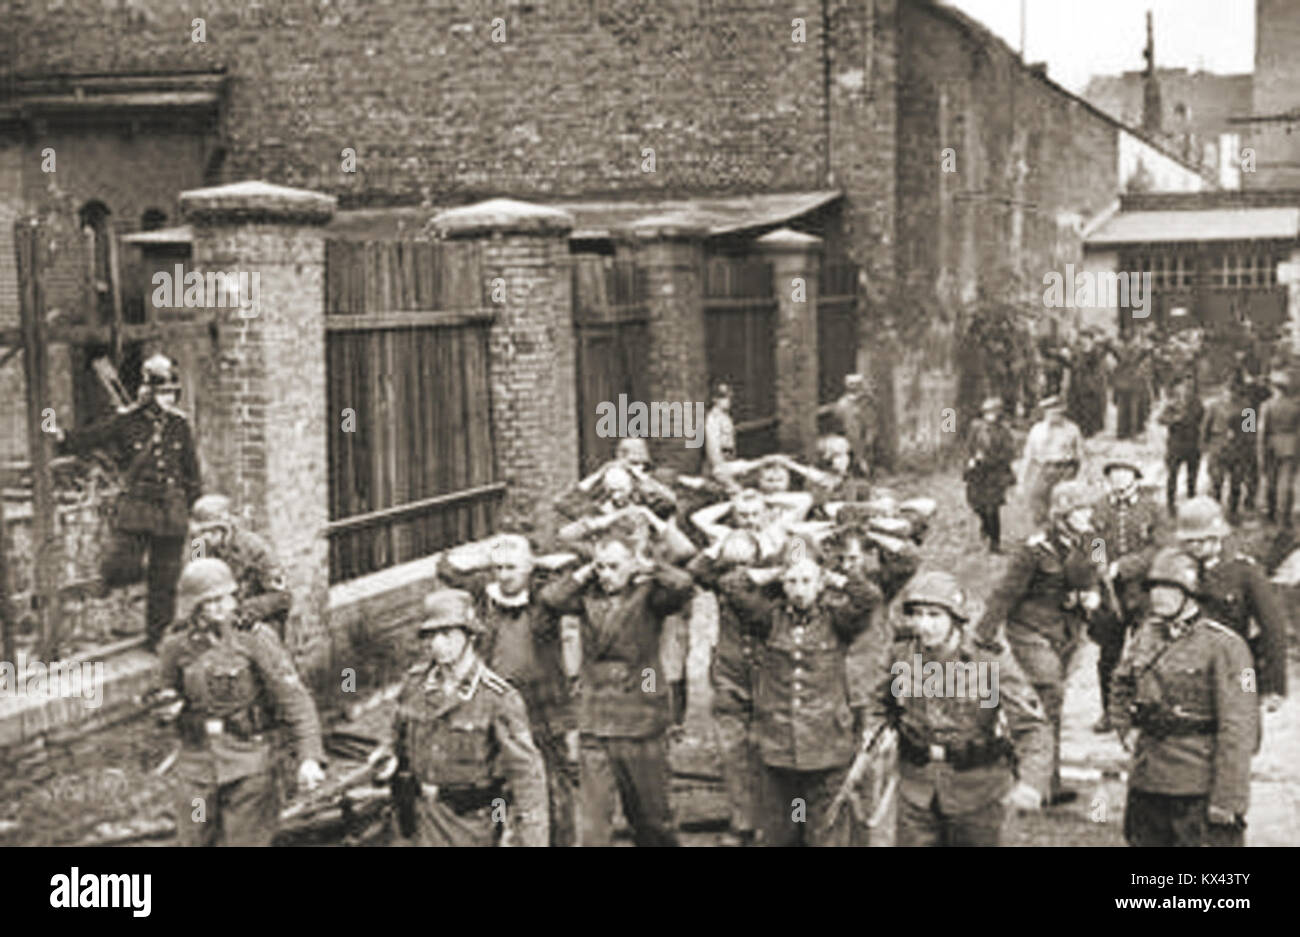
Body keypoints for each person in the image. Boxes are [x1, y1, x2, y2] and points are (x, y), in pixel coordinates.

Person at [858, 572, 1051, 846]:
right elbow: (877, 703)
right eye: (918, 614)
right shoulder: (901, 654)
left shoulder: (987, 660)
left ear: (955, 618)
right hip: (917, 790)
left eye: (934, 615)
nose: (924, 625)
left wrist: (1032, 782)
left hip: (978, 791)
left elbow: (1032, 727)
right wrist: (870, 732)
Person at [711, 541, 882, 846]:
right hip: (779, 746)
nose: (799, 589)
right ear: (782, 585)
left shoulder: (838, 621)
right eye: (792, 582)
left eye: (806, 581)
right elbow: (730, 585)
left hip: (826, 744)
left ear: (819, 586)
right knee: (785, 829)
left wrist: (832, 576)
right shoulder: (767, 619)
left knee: (824, 832)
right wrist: (775, 571)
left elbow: (869, 597)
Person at [537, 534, 695, 846]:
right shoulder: (586, 596)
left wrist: (649, 566)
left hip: (642, 717)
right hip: (596, 717)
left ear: (631, 565)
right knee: (594, 825)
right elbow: (551, 598)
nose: (606, 574)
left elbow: (683, 584)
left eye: (614, 566)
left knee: (652, 819)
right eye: (601, 567)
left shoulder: (650, 595)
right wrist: (583, 573)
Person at [158, 558, 325, 846]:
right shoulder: (176, 645)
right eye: (211, 601)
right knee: (195, 840)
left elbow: (294, 700)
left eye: (226, 598)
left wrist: (309, 757)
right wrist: (166, 708)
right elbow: (166, 691)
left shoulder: (254, 639)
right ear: (194, 606)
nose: (223, 607)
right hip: (196, 770)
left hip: (249, 766)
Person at [435, 534, 579, 846]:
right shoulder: (484, 599)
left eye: (512, 567)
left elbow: (573, 570)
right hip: (495, 714)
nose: (504, 575)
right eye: (498, 567)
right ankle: (501, 837)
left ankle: (559, 842)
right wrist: (486, 556)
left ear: (529, 567)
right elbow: (447, 569)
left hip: (543, 714)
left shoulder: (545, 598)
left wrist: (537, 562)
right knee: (499, 790)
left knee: (553, 791)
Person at [1109, 548, 1258, 847]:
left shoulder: (1225, 646)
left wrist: (1228, 799)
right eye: (1153, 588)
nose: (1157, 596)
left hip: (1196, 786)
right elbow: (1121, 684)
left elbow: (1239, 727)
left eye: (1168, 588)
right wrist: (1125, 728)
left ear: (1190, 594)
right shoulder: (1146, 634)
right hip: (1147, 781)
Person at [56, 353, 201, 649]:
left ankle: (157, 638)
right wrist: (54, 431)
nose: (169, 398)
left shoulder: (179, 425)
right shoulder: (127, 422)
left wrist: (195, 510)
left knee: (165, 580)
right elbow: (86, 438)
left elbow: (191, 472)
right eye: (163, 392)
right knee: (118, 566)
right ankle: (125, 598)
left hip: (171, 510)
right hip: (137, 507)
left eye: (173, 392)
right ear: (148, 392)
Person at [383, 589, 549, 846]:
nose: (437, 644)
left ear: (470, 635)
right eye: (431, 635)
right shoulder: (414, 685)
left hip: (470, 828)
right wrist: (387, 757)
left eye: (447, 634)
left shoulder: (497, 698)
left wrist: (529, 839)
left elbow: (526, 778)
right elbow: (395, 739)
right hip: (415, 824)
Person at [975, 479, 1101, 805]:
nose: (1088, 514)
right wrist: (983, 635)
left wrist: (1093, 596)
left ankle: (1047, 779)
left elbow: (1095, 577)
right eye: (1081, 508)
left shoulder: (1090, 541)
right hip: (1029, 630)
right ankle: (1036, 781)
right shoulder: (1034, 548)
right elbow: (1005, 592)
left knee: (1050, 706)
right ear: (1064, 512)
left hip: (1066, 633)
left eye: (1089, 507)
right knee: (1049, 695)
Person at [686, 530, 767, 845]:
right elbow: (694, 569)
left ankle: (770, 820)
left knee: (766, 753)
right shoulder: (720, 580)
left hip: (765, 677)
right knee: (732, 752)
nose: (738, 570)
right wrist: (718, 546)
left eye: (744, 562)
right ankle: (742, 820)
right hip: (728, 675)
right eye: (731, 564)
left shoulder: (769, 585)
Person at [1174, 497, 1288, 710]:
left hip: (1240, 666)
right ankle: (1108, 713)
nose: (1194, 547)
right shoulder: (1177, 567)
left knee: (1244, 715)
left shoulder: (1244, 571)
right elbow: (1097, 541)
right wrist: (1099, 571)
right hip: (1192, 667)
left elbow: (1273, 628)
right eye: (1189, 542)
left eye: (1201, 540)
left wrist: (1274, 686)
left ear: (1217, 538)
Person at [1087, 461, 1165, 732]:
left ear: (1135, 476)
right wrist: (1100, 565)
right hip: (1110, 595)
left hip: (1144, 592)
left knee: (1145, 654)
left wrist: (1124, 566)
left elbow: (1160, 547)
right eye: (1113, 473)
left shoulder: (1152, 508)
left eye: (1125, 472)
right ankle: (1109, 711)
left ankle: (1143, 710)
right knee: (1109, 655)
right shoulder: (1099, 507)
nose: (1119, 478)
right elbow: (1094, 540)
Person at [189, 494, 291, 635]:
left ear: (226, 529)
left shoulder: (255, 549)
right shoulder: (199, 547)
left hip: (252, 620)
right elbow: (196, 586)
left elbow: (281, 597)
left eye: (212, 531)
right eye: (202, 532)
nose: (205, 537)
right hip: (216, 620)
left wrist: (245, 610)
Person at [1019, 396, 1084, 527]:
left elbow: (1081, 454)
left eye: (1057, 412)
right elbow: (1028, 456)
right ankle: (1045, 533)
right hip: (1045, 469)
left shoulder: (1072, 429)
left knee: (1063, 504)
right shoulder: (1037, 430)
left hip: (1066, 470)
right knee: (1037, 499)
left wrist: (1082, 477)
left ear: (1062, 411)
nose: (1054, 415)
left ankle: (1065, 534)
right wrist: (1021, 480)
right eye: (1050, 412)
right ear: (1045, 412)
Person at [964, 397, 1017, 553]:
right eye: (987, 412)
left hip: (995, 474)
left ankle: (995, 543)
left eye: (994, 412)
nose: (990, 415)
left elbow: (1009, 453)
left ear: (999, 413)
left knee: (992, 508)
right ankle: (985, 526)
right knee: (976, 505)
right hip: (978, 474)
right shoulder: (976, 427)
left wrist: (989, 459)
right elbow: (969, 447)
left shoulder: (1004, 431)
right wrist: (970, 460)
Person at [1157, 374, 1204, 517]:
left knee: (1192, 477)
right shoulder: (1172, 404)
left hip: (1193, 445)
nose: (1188, 390)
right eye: (1185, 387)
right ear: (1180, 389)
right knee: (1172, 476)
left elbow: (1204, 421)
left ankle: (1192, 504)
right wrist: (1175, 420)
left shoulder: (1197, 404)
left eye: (1191, 387)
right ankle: (1171, 505)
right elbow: (1161, 419)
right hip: (1176, 446)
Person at [1260, 371, 1300, 527]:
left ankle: (1272, 514)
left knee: (1272, 481)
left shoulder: (1266, 405)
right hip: (1290, 447)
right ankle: (1284, 516)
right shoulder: (1295, 406)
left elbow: (1260, 431)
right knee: (1286, 483)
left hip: (1271, 447)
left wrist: (1259, 451)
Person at [832, 373, 879, 479]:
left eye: (856, 384)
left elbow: (871, 421)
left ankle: (867, 477)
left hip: (863, 435)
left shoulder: (866, 401)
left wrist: (869, 436)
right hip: (849, 435)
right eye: (851, 384)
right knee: (850, 458)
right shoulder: (843, 402)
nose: (853, 387)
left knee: (866, 455)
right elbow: (838, 417)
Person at [703, 381, 738, 478]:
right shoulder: (713, 418)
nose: (728, 400)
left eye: (729, 397)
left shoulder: (725, 416)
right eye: (723, 397)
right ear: (714, 399)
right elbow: (713, 445)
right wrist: (718, 466)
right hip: (719, 459)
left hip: (728, 457)